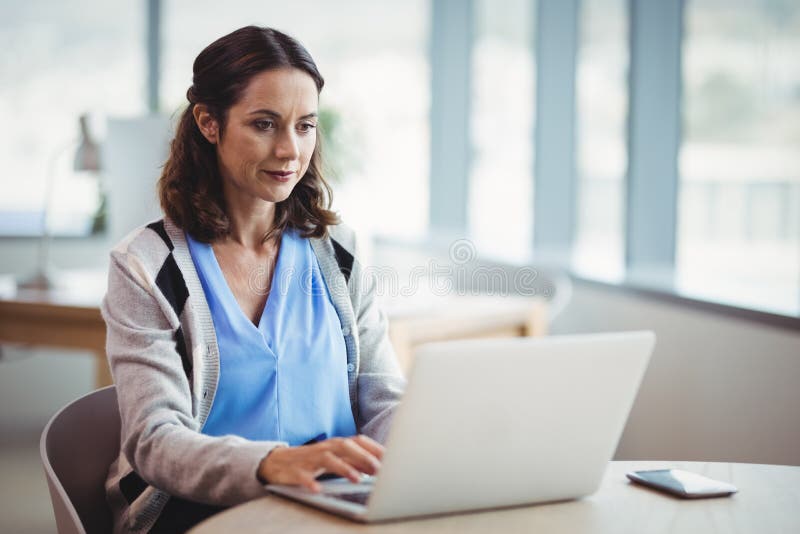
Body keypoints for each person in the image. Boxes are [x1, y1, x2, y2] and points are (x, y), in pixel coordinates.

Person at [101, 25, 405, 533]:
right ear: (209, 123)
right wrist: (271, 465)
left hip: (332, 507)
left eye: (305, 126)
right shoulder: (145, 265)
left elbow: (382, 397)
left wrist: (418, 459)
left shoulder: (340, 253)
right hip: (202, 513)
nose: (290, 150)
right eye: (265, 124)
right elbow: (154, 440)